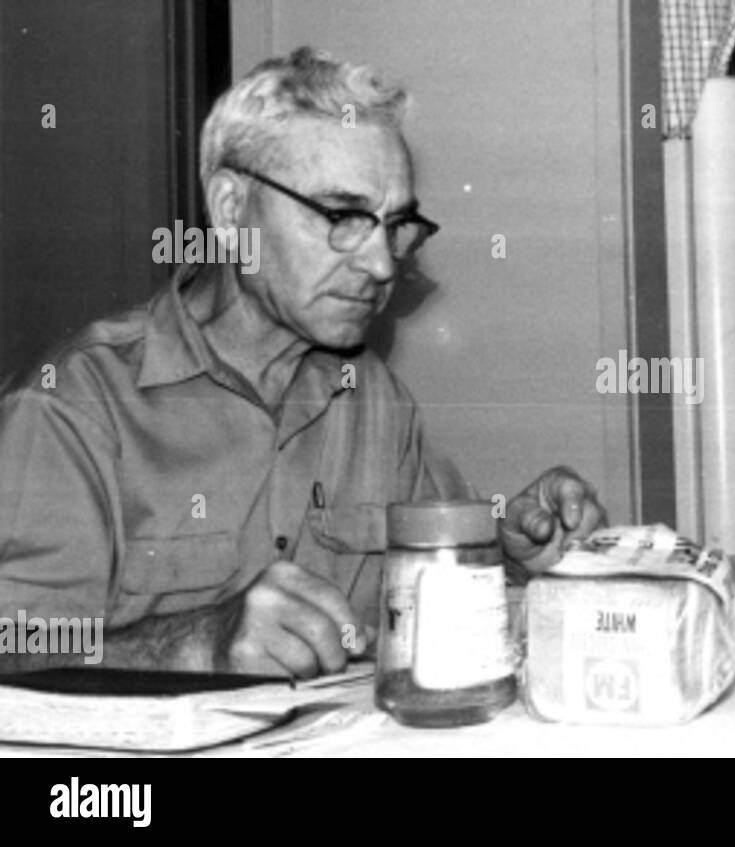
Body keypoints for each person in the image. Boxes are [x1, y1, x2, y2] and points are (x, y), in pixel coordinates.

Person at [0, 48, 604, 677]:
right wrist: (197, 641)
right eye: (342, 217)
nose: (381, 265)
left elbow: (448, 571)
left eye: (395, 226)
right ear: (232, 210)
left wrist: (519, 547)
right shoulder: (72, 407)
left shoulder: (373, 399)